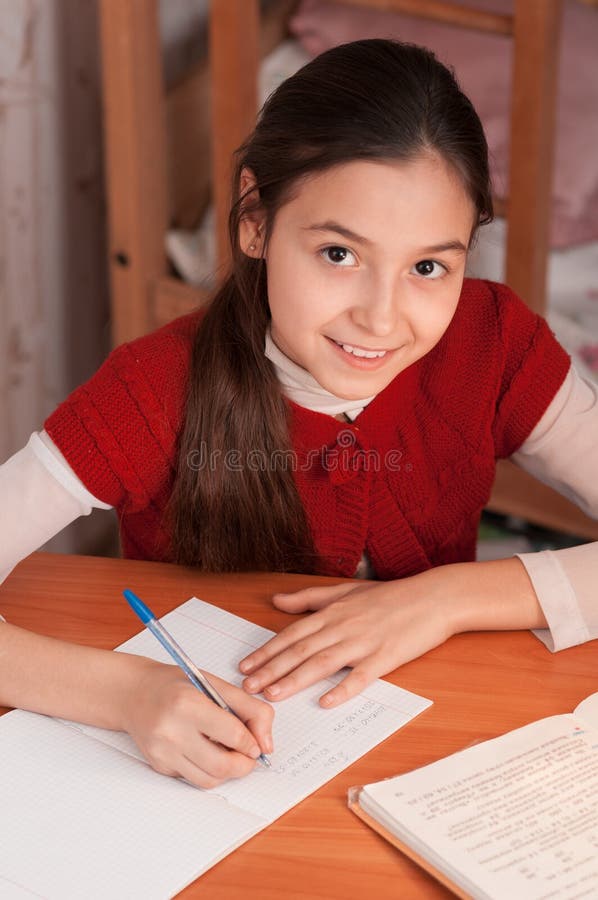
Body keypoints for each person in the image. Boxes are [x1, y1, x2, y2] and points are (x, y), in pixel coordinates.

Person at [1, 39, 597, 787]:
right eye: (339, 254)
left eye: (428, 267)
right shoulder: (151, 391)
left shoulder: (496, 346)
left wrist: (448, 599)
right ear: (256, 219)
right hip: (201, 776)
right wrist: (126, 695)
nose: (381, 319)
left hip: (425, 754)